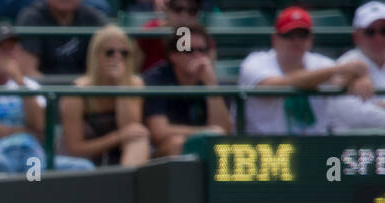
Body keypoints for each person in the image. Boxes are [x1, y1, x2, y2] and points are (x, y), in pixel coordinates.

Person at [0, 24, 96, 172]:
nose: (9, 54)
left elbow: (42, 127)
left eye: (13, 48)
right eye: (2, 48)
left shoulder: (29, 86)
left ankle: (33, 188)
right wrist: (24, 130)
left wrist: (19, 81)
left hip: (32, 158)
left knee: (83, 168)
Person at [238, 6, 371, 134]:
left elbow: (343, 77)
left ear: (310, 39)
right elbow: (271, 86)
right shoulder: (255, 62)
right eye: (289, 35)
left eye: (302, 35)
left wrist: (359, 78)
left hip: (314, 147)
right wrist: (335, 70)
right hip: (267, 149)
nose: (296, 41)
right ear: (275, 39)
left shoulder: (320, 63)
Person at [60, 24, 151, 167]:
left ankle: (126, 186)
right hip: (87, 161)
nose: (117, 57)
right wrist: (117, 137)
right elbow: (74, 149)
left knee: (138, 139)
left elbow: (131, 127)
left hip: (125, 156)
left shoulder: (135, 84)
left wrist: (121, 85)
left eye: (124, 53)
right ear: (96, 55)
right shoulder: (76, 92)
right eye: (110, 52)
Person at [143, 25, 233, 155]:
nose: (197, 55)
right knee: (177, 143)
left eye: (202, 50)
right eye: (189, 50)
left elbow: (223, 131)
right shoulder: (156, 80)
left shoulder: (212, 82)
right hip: (160, 155)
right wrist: (206, 132)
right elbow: (160, 132)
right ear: (173, 55)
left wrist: (211, 85)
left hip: (204, 149)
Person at [329, 2, 385, 130]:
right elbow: (357, 116)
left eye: (384, 31)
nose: (379, 38)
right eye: (370, 32)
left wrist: (377, 105)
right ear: (356, 36)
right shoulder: (345, 65)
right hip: (351, 147)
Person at [16, 0, 107, 77]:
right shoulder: (31, 18)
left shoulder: (93, 18)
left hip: (84, 92)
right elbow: (27, 71)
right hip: (43, 93)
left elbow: (104, 70)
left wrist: (80, 90)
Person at [135, 0, 200, 73]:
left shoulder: (201, 39)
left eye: (192, 10)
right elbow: (134, 70)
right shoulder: (150, 31)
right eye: (178, 9)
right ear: (167, 10)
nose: (185, 15)